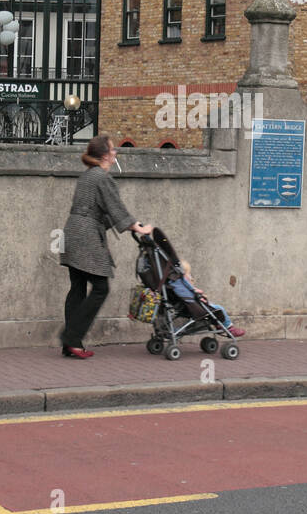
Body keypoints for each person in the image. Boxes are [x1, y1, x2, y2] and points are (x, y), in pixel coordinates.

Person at [59, 135, 153, 358]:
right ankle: (71, 337)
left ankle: (71, 344)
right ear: (104, 155)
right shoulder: (101, 177)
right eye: (112, 151)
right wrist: (138, 227)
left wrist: (128, 225)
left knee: (78, 288)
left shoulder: (87, 176)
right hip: (86, 236)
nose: (115, 154)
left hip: (72, 233)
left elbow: (101, 210)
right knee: (101, 288)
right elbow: (115, 208)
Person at [169, 260, 245, 338]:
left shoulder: (175, 285)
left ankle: (219, 325)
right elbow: (195, 294)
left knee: (214, 308)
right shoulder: (184, 285)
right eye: (188, 273)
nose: (190, 276)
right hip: (197, 307)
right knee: (219, 308)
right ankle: (229, 328)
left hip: (187, 306)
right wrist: (199, 293)